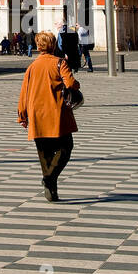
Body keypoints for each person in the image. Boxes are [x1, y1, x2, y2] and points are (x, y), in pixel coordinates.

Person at [17, 32, 81, 202]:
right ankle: (49, 179)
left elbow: (24, 92)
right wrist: (77, 85)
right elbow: (70, 83)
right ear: (53, 45)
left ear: (38, 46)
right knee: (65, 147)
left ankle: (51, 190)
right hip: (56, 113)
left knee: (44, 154)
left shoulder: (32, 67)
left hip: (37, 115)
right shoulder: (60, 63)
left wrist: (22, 114)